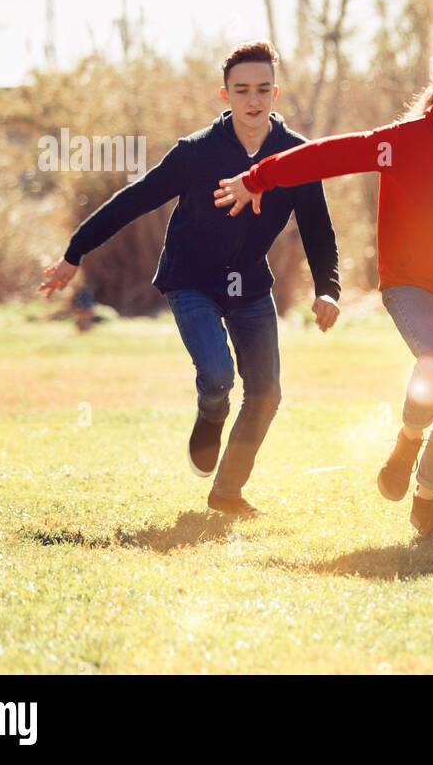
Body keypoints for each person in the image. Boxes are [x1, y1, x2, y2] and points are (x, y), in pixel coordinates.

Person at [215, 34, 433, 537]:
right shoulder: (400, 142)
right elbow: (325, 157)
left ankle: (426, 498)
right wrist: (258, 177)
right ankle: (409, 435)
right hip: (411, 283)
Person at [40, 41, 341, 519]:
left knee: (266, 394)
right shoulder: (196, 153)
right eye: (241, 90)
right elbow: (134, 199)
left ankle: (226, 492)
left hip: (251, 286)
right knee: (219, 376)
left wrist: (328, 289)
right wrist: (75, 252)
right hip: (191, 281)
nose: (253, 100)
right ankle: (211, 412)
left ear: (276, 93)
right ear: (225, 95)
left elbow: (318, 230)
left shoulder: (296, 156)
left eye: (263, 89)